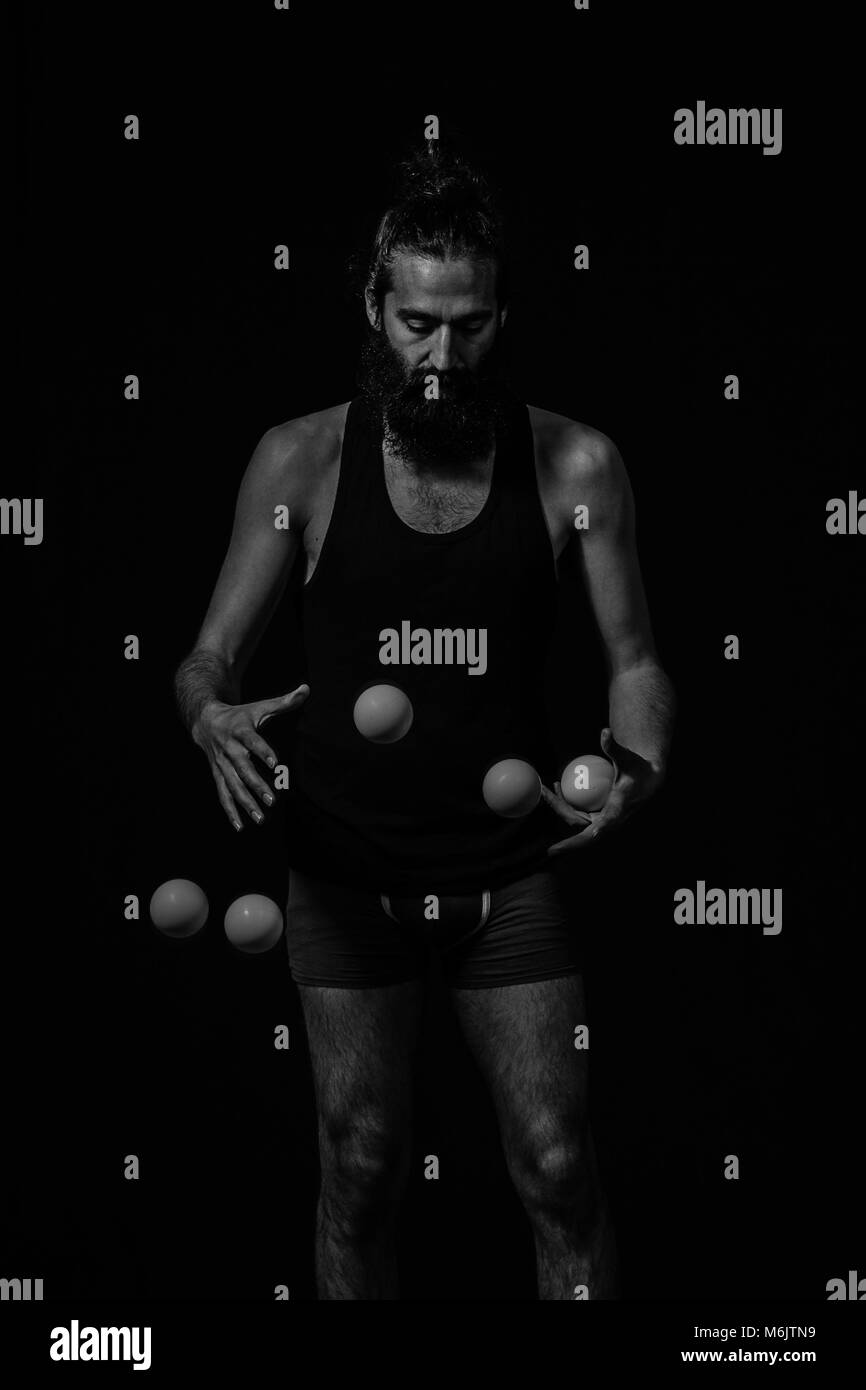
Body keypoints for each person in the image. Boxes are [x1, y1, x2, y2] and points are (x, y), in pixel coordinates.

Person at [173, 144, 676, 1300]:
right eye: (414, 325)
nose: (439, 357)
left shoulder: (574, 464)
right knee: (359, 1165)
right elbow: (205, 659)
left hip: (509, 868)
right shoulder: (297, 457)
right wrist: (209, 716)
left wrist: (638, 760)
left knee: (556, 1164)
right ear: (371, 307)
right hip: (343, 875)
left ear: (503, 316)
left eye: (468, 326)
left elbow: (636, 663)